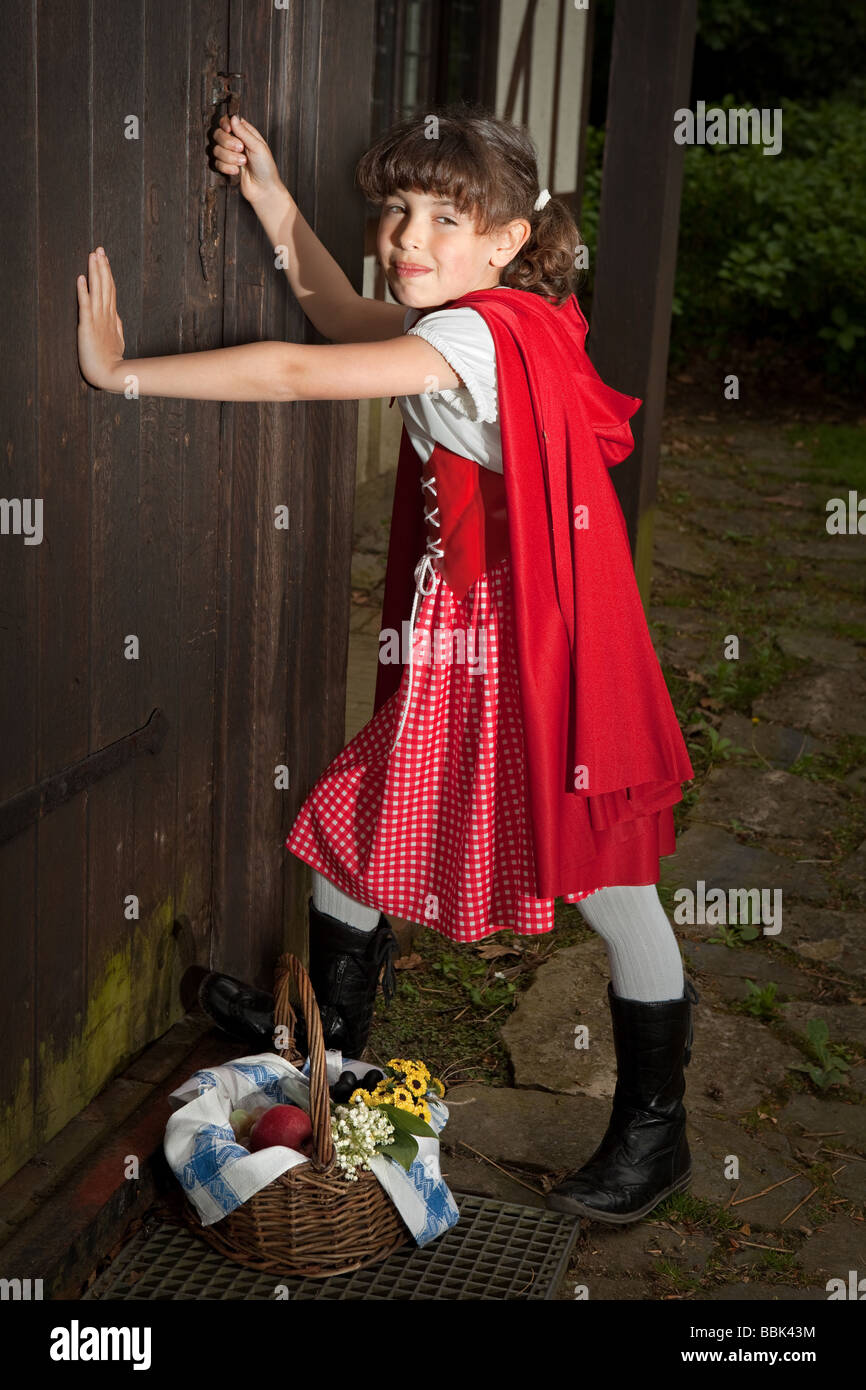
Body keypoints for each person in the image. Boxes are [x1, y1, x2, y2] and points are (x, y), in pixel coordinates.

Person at [76, 99, 699, 1225]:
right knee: (356, 831)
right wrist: (269, 195)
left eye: (443, 219)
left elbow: (293, 372)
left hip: (520, 657)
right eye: (395, 211)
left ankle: (655, 1133)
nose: (408, 237)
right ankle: (324, 1057)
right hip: (482, 636)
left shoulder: (470, 335)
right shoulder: (501, 312)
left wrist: (124, 370)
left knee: (606, 876)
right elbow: (338, 313)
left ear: (506, 239)